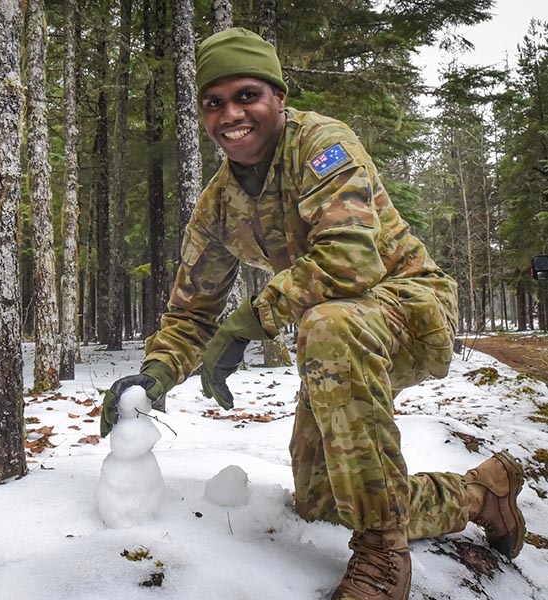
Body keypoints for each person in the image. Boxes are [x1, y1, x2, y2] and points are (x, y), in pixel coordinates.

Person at [100, 27, 526, 600]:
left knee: (327, 325)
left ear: (277, 95)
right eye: (214, 102)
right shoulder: (218, 205)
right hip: (340, 333)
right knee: (324, 502)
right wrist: (154, 375)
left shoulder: (321, 143)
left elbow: (350, 258)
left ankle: (382, 558)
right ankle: (481, 494)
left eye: (246, 95)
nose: (231, 114)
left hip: (410, 308)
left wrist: (250, 319)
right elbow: (191, 312)